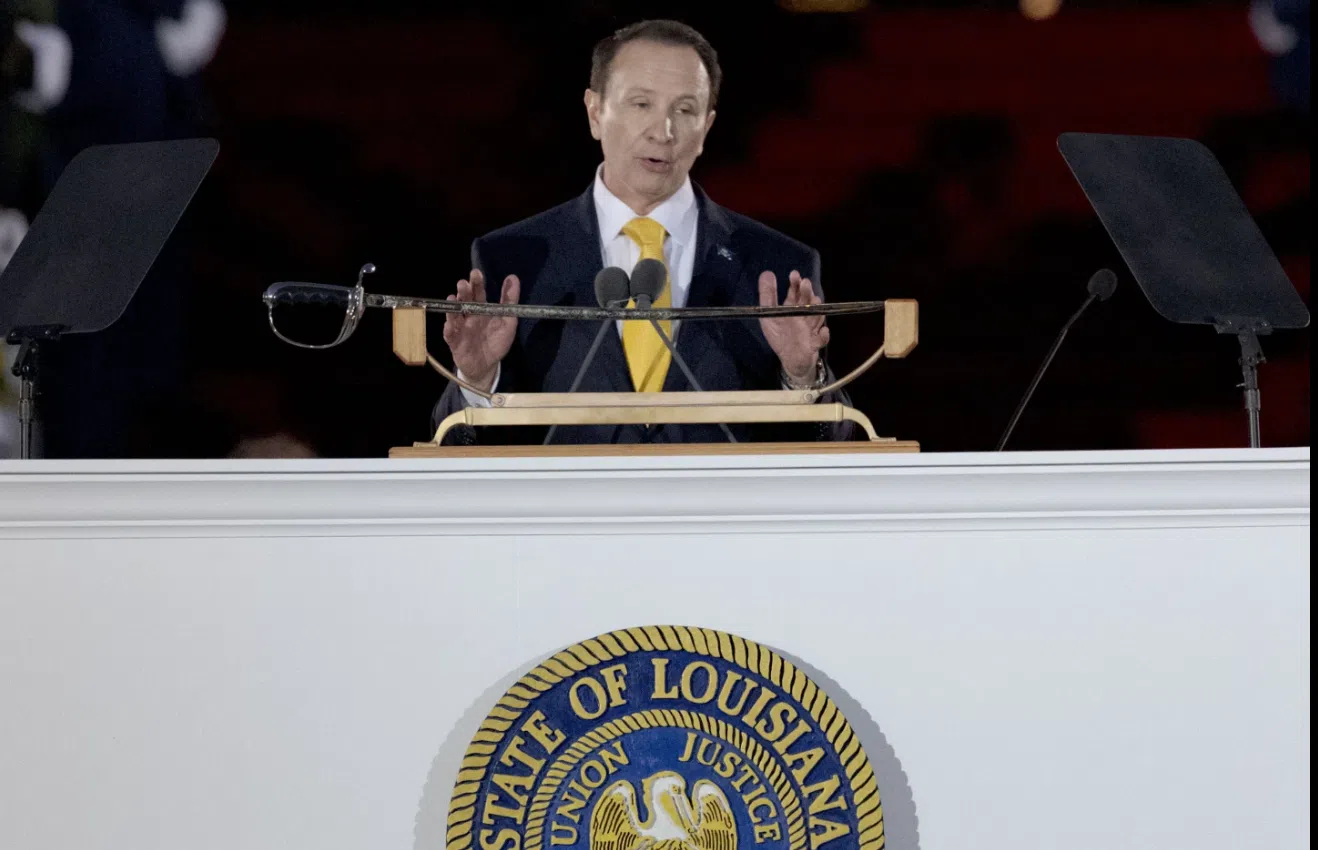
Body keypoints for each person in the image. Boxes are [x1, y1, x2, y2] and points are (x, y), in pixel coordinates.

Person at [431, 19, 852, 446]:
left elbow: (835, 443)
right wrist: (477, 379)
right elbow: (454, 449)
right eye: (641, 104)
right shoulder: (514, 260)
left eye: (684, 110)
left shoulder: (777, 266)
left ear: (705, 128)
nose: (662, 131)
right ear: (595, 112)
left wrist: (801, 378)